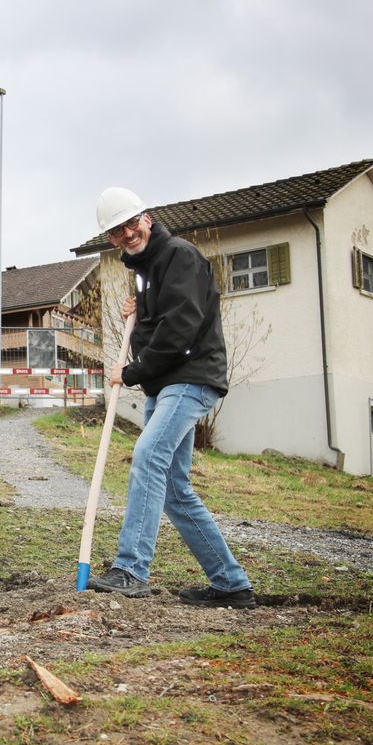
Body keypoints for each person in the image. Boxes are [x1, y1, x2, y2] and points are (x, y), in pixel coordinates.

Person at [87, 187, 256, 608]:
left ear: (146, 218)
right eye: (117, 231)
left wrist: (131, 372)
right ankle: (230, 583)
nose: (127, 234)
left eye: (131, 223)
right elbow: (161, 323)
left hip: (190, 379)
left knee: (148, 457)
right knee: (174, 489)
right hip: (167, 385)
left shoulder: (179, 255)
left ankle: (131, 569)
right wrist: (140, 313)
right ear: (110, 238)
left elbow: (180, 330)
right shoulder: (146, 269)